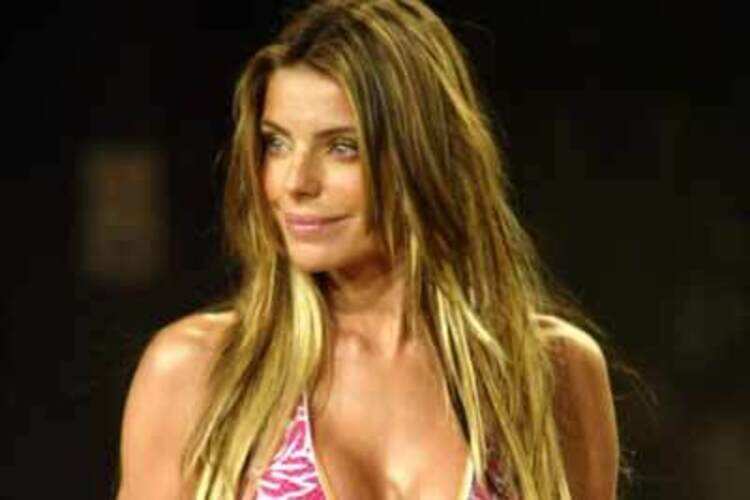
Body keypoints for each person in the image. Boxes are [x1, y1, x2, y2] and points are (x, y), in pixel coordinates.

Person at [117, 1, 619, 498]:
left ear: (423, 157)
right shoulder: (197, 372)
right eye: (277, 143)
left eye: (342, 147)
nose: (296, 182)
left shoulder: (552, 372)